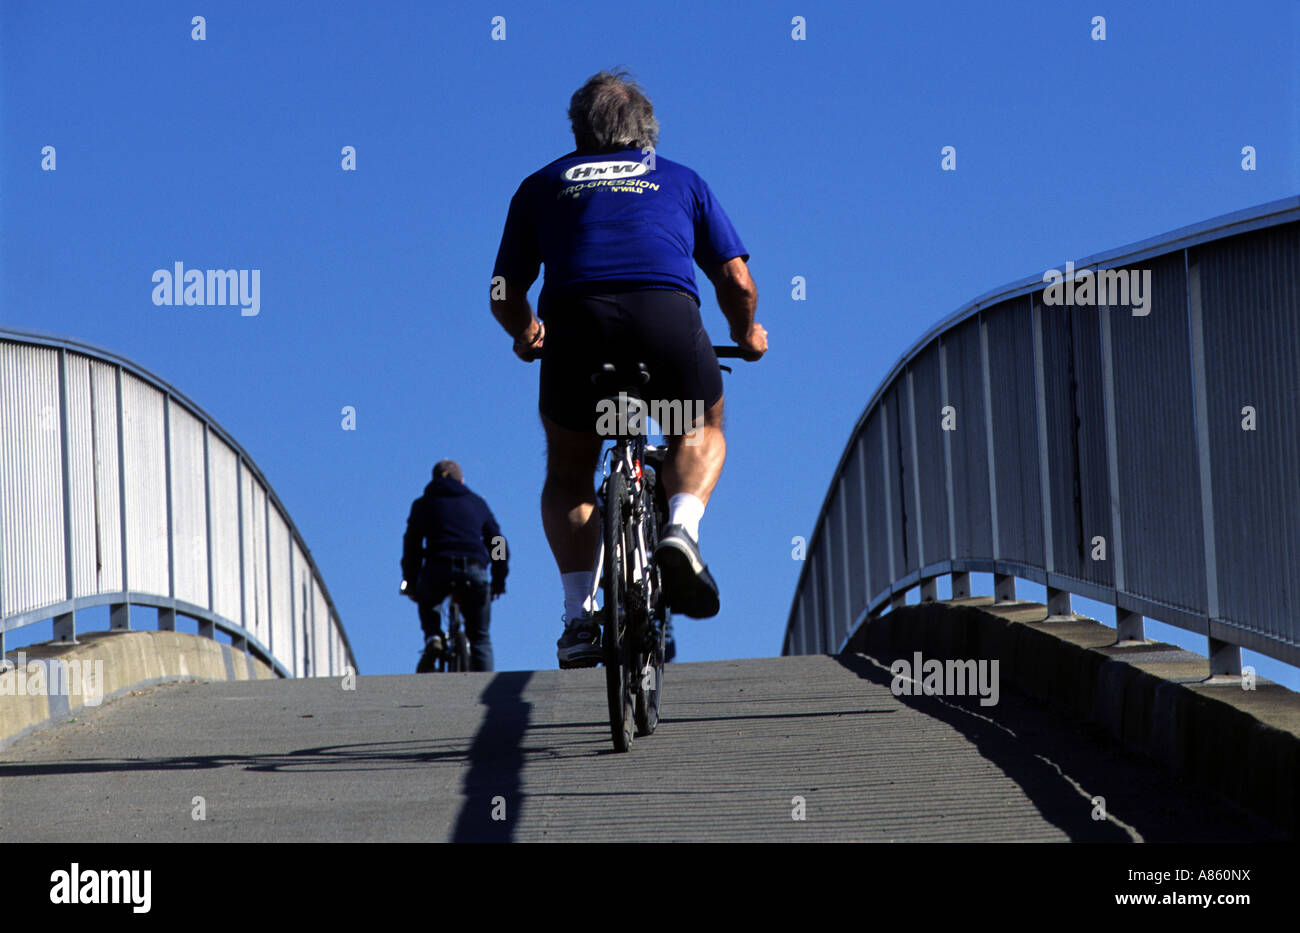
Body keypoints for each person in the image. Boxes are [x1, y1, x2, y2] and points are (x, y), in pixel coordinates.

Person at [489, 69, 767, 668]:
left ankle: (576, 618)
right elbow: (737, 281)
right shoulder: (681, 179)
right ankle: (680, 530)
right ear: (648, 134)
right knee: (698, 425)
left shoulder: (540, 185)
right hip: (664, 320)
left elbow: (502, 290)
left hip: (576, 330)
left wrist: (524, 332)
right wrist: (747, 334)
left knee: (569, 472)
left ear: (578, 131)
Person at [401, 460, 507, 672]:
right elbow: (497, 542)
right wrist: (498, 579)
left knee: (428, 602)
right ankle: (486, 684)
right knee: (480, 637)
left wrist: (411, 582)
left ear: (434, 480)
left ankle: (433, 637)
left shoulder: (422, 504)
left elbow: (411, 546)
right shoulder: (477, 503)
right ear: (462, 480)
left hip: (437, 570)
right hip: (475, 571)